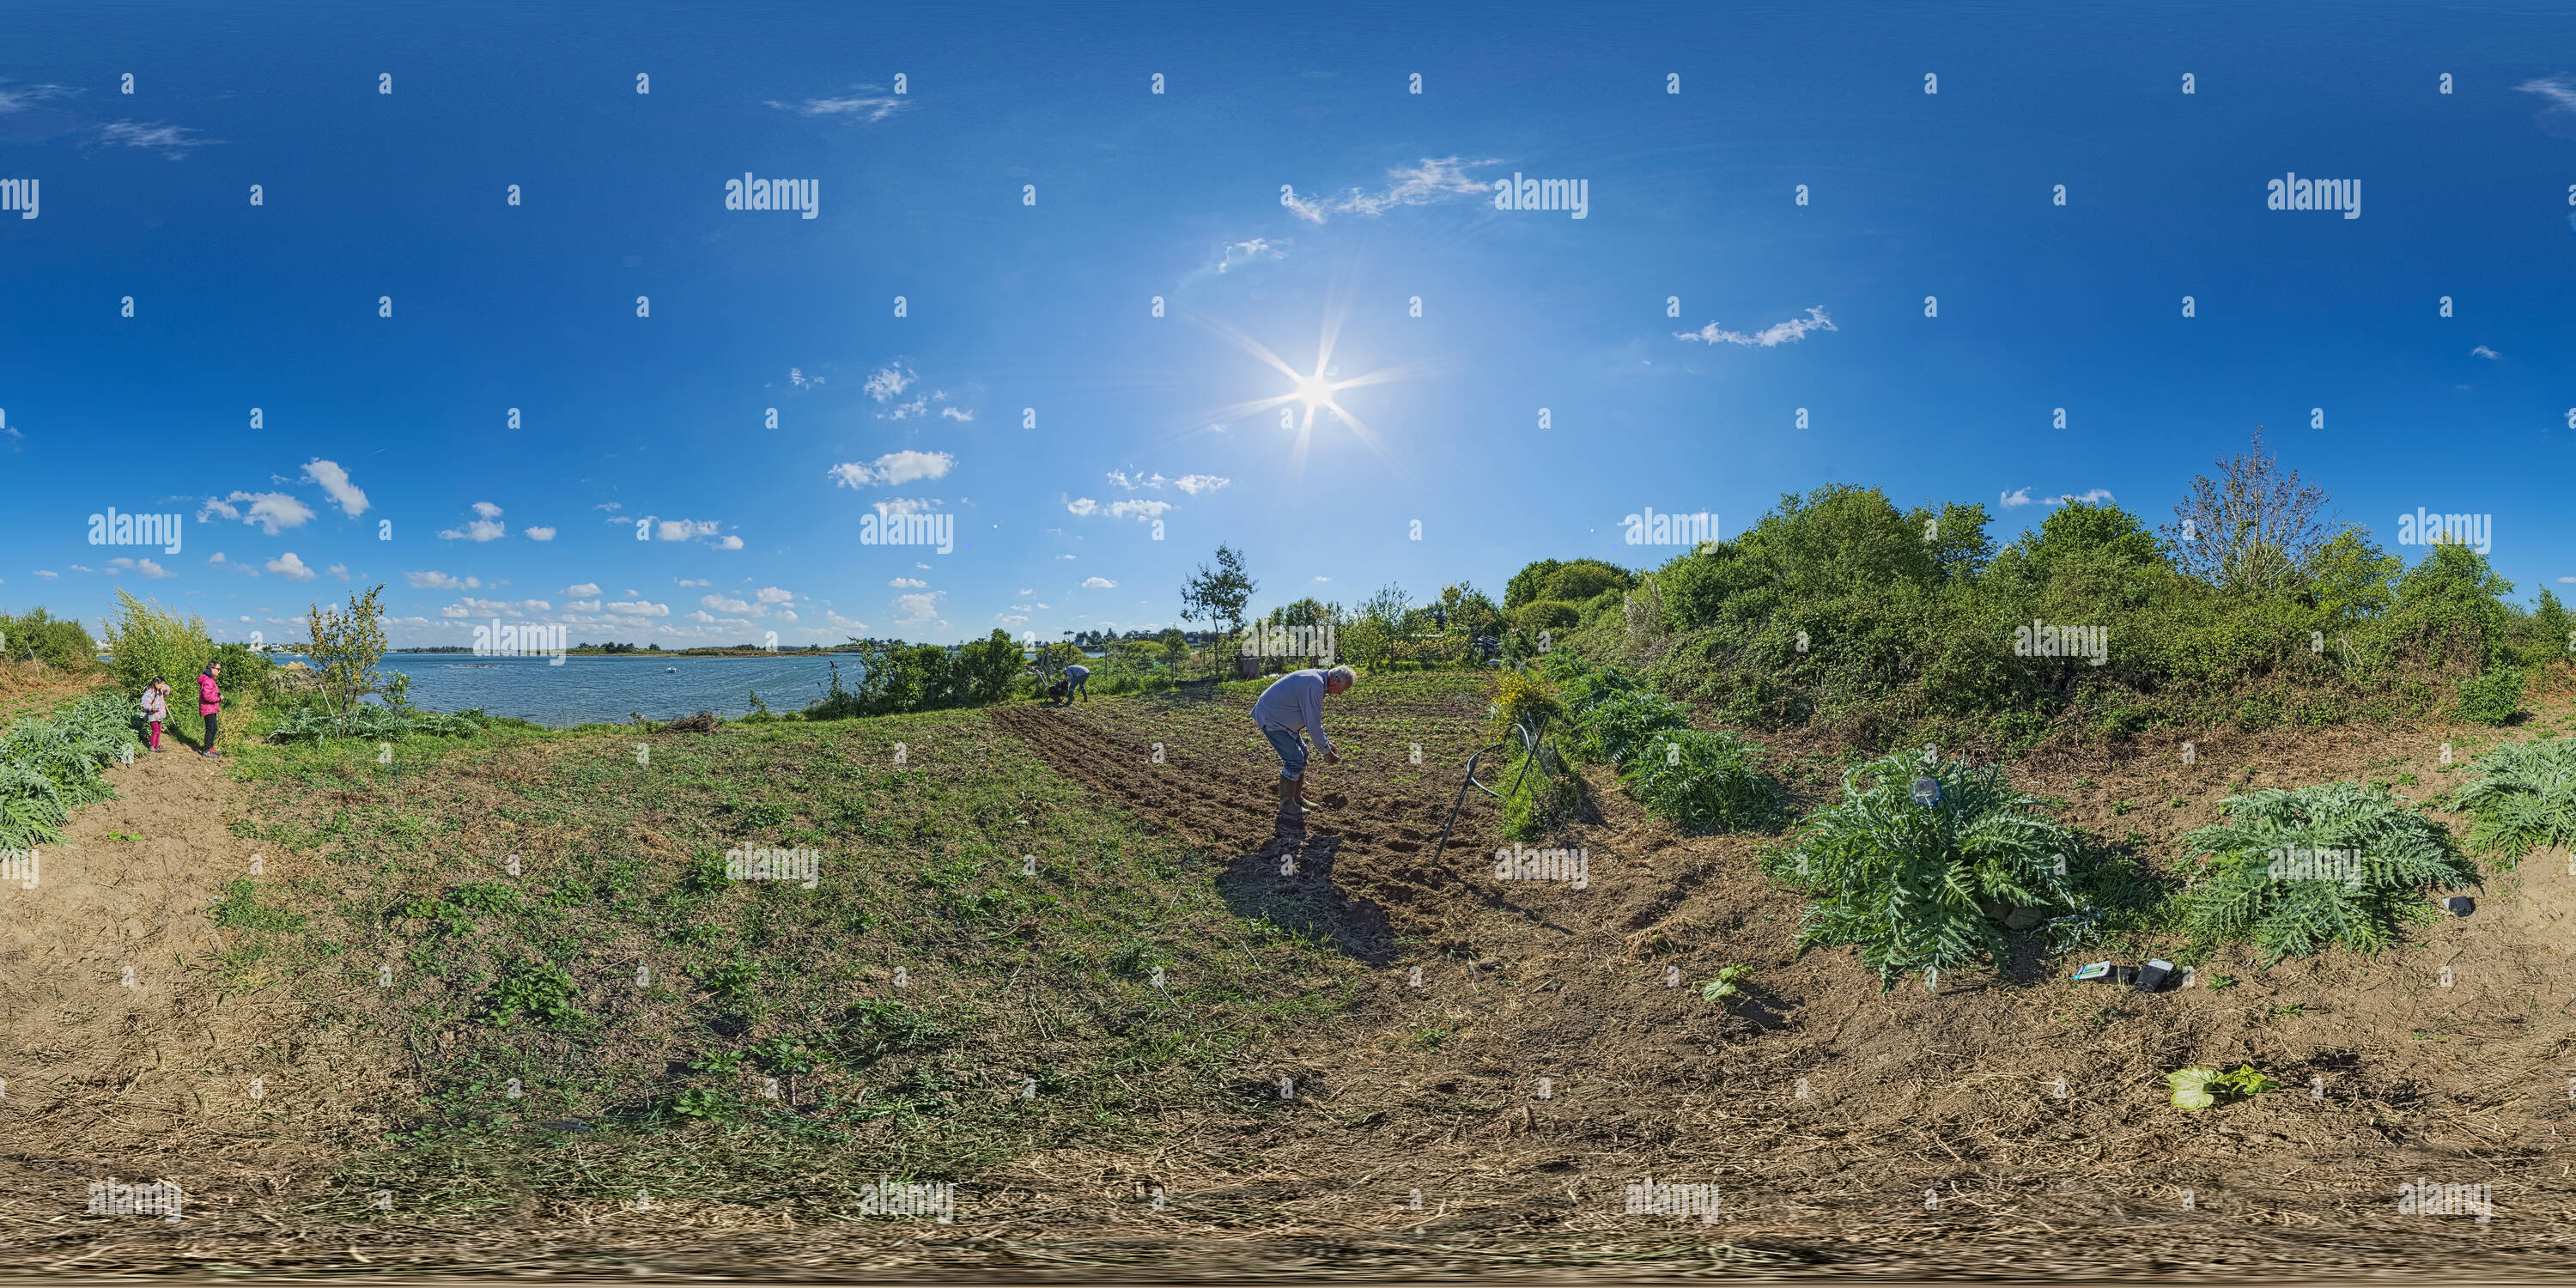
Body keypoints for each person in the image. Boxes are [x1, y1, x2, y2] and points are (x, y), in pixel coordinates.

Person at [1251, 664, 1352, 817]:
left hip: (1282, 721)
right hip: (1272, 720)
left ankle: (1296, 798)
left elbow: (1312, 721)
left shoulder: (1317, 681)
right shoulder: (1315, 684)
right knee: (1294, 760)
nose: (1340, 694)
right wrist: (1327, 753)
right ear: (1335, 681)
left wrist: (1326, 743)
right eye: (1342, 690)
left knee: (1303, 754)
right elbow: (1313, 724)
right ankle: (1287, 804)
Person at [197, 661, 224, 758]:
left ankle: (211, 748)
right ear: (211, 669)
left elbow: (210, 693)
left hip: (211, 708)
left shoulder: (210, 679)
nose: (219, 671)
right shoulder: (208, 680)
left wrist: (217, 695)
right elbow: (207, 697)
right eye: (217, 669)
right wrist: (219, 698)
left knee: (214, 729)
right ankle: (206, 750)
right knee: (210, 729)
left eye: (219, 669)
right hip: (208, 708)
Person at [139, 678, 167, 752]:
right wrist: (151, 707)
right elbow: (144, 702)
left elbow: (168, 690)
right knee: (155, 731)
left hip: (159, 715)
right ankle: (152, 746)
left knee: (158, 731)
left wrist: (164, 688)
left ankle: (157, 746)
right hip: (153, 715)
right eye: (162, 685)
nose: (163, 687)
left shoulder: (160, 691)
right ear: (156, 683)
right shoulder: (150, 692)